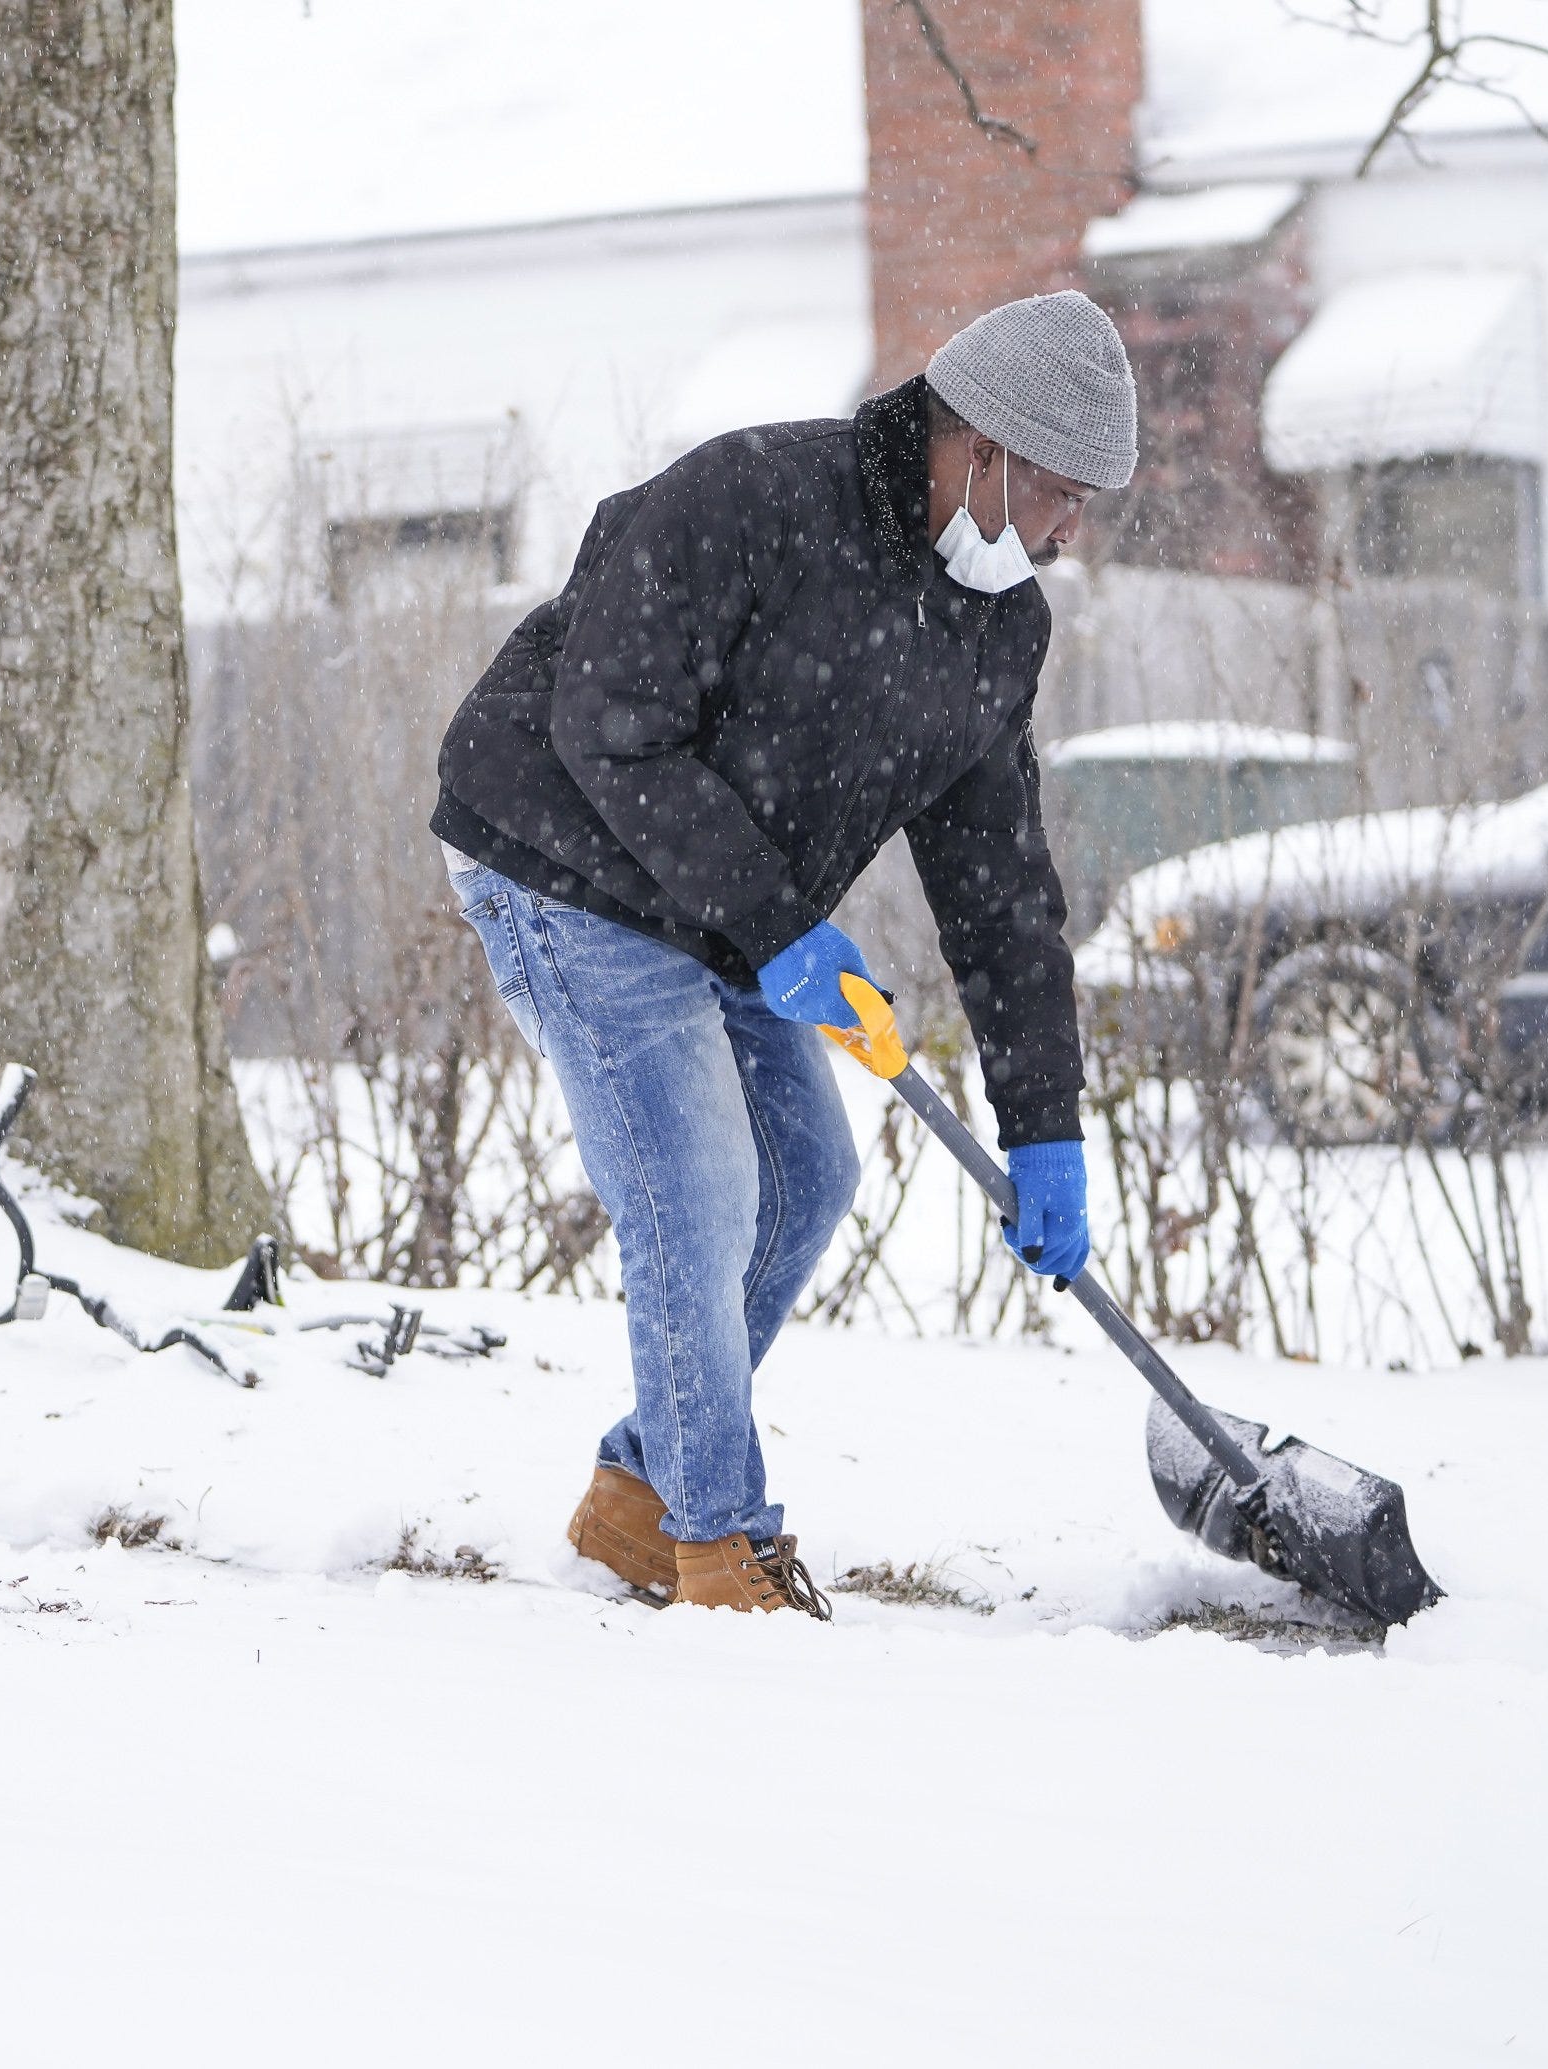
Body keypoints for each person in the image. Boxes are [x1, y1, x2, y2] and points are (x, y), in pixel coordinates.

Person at [430, 291, 1135, 1614]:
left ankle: (640, 1497)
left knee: (806, 1178)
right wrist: (780, 926)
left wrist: (1043, 1123)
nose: (1068, 533)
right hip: (562, 854)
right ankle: (719, 1546)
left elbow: (998, 888)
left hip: (724, 898)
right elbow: (610, 726)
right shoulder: (754, 498)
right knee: (696, 1196)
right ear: (984, 449)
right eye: (1061, 493)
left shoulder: (998, 627)